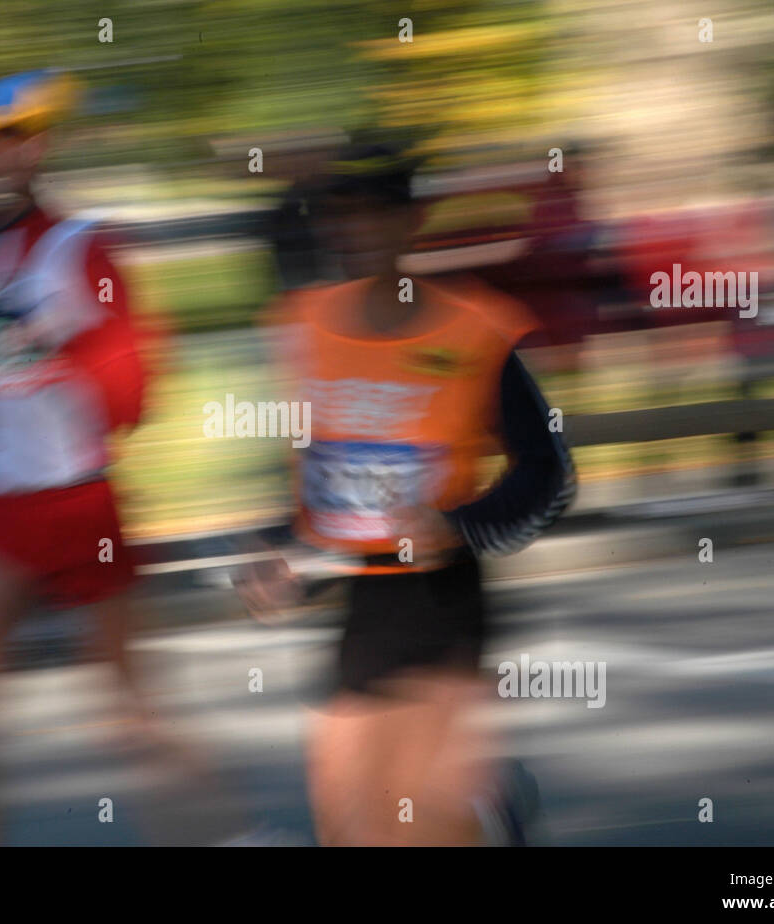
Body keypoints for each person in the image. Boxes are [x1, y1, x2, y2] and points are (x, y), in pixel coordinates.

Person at [235, 144, 575, 845]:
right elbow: (317, 489)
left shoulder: (474, 330)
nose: (353, 232)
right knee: (348, 820)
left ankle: (481, 800)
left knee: (411, 824)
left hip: (441, 601)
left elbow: (548, 474)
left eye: (372, 216)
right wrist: (276, 553)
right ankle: (487, 796)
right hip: (362, 601)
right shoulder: (304, 326)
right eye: (340, 217)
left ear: (409, 224)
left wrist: (456, 526)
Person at [0, 70, 148, 845]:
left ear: (38, 145)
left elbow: (133, 389)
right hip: (1, 508)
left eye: (3, 140)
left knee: (127, 712)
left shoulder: (77, 245)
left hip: (77, 498)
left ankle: (228, 837)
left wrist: (69, 357)